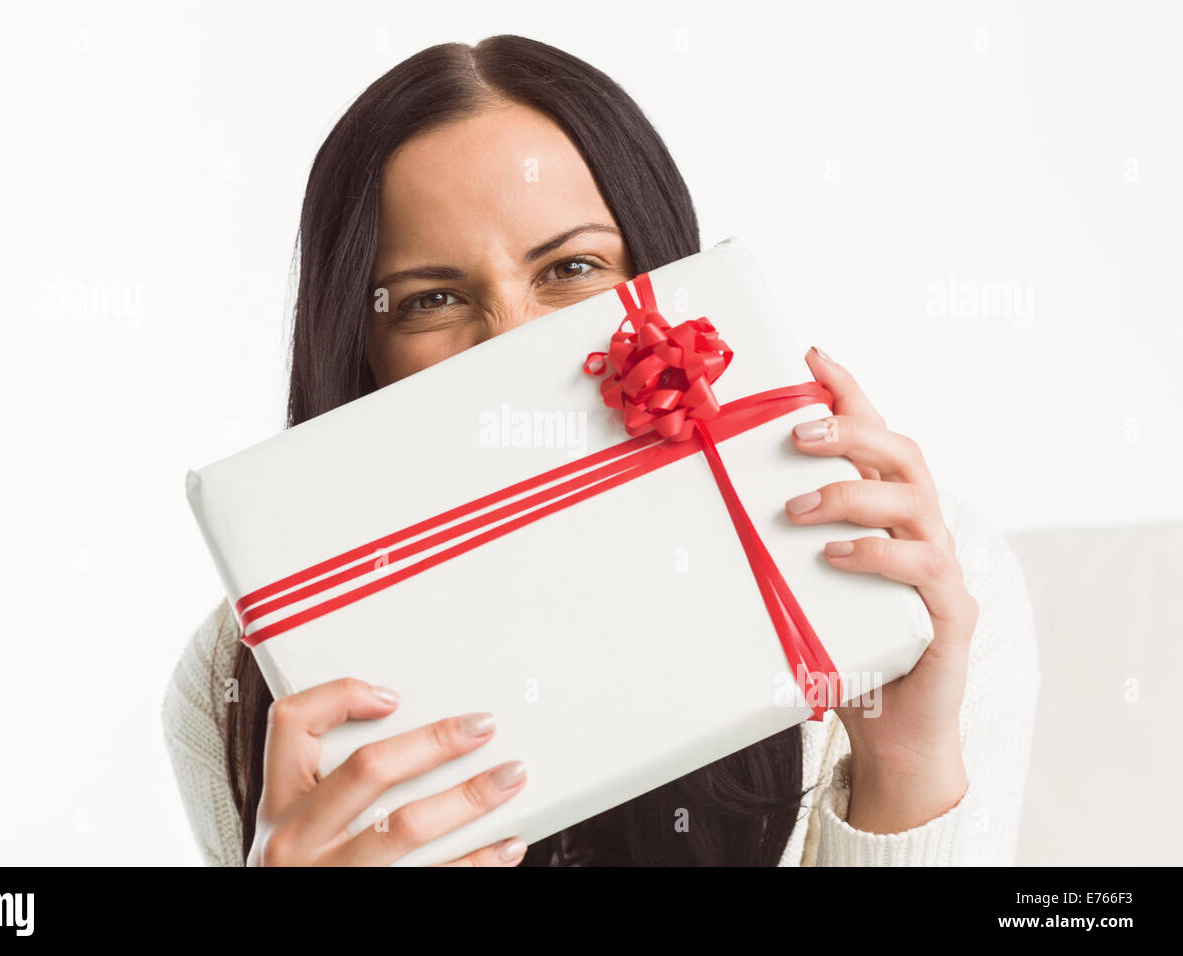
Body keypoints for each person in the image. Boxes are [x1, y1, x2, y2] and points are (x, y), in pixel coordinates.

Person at [163, 35, 1040, 866]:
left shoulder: (906, 580)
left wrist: (905, 769)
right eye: (430, 299)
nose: (510, 338)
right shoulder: (239, 686)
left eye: (571, 269)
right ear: (355, 346)